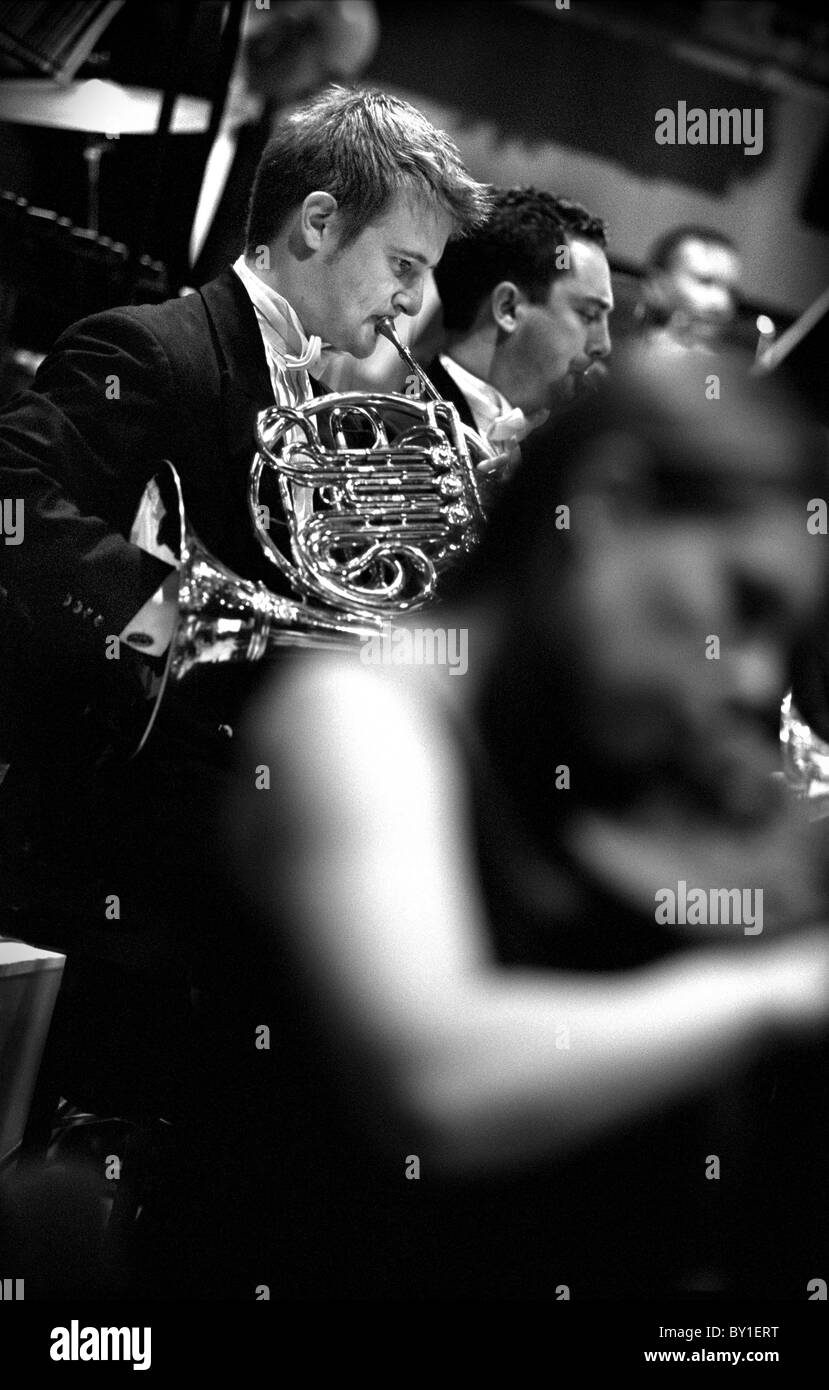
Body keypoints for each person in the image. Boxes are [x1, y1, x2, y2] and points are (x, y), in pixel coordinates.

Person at [225, 350, 829, 1298]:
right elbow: (435, 1081)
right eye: (742, 606)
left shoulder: (610, 750)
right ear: (608, 506)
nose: (754, 678)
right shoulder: (357, 718)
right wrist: (775, 987)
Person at [0, 86, 490, 1204]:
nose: (416, 304)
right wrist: (185, 617)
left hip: (209, 861)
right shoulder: (157, 345)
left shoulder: (301, 386)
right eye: (406, 265)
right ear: (316, 225)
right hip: (106, 859)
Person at [426, 187, 613, 453]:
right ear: (508, 308)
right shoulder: (396, 430)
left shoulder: (558, 448)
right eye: (590, 315)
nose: (604, 345)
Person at [637, 224, 741, 350]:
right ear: (657, 284)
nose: (722, 302)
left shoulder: (735, 366)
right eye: (705, 281)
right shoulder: (617, 358)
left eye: (730, 290)